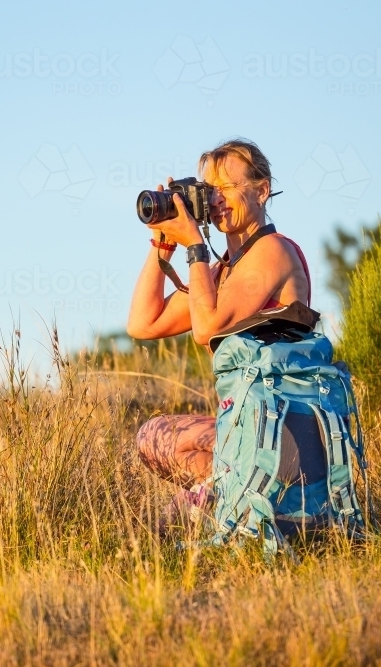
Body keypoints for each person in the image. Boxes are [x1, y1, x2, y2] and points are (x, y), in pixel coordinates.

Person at [125, 139, 312, 527]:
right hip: (244, 429)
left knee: (165, 523)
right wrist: (164, 244)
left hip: (285, 432)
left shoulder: (273, 251)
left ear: (262, 190)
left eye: (228, 187)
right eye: (210, 191)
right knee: (153, 437)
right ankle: (230, 494)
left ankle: (227, 500)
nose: (216, 199)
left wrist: (194, 244)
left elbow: (206, 327)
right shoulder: (221, 271)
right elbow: (143, 323)